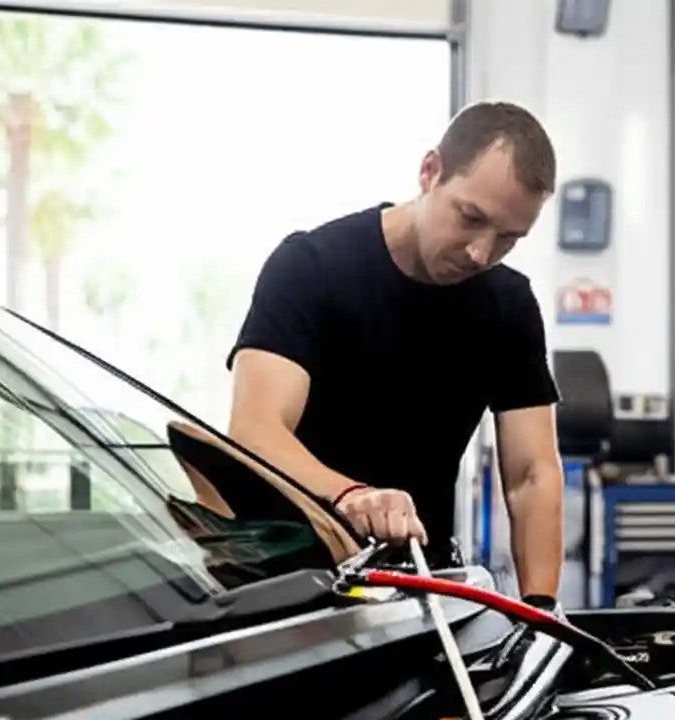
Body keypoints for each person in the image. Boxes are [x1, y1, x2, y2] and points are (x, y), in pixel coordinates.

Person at [225, 101, 564, 606]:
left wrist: (543, 613)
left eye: (508, 238)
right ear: (430, 172)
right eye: (471, 218)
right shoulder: (311, 267)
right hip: (286, 580)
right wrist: (352, 496)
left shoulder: (508, 306)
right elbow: (254, 430)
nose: (480, 253)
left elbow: (532, 474)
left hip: (417, 587)